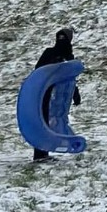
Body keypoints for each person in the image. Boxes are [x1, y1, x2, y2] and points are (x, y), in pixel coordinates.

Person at [31, 27, 80, 162]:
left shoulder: (64, 56)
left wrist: (74, 93)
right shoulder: (59, 55)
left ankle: (43, 152)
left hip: (52, 96)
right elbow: (39, 72)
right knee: (43, 122)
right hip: (44, 94)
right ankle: (40, 154)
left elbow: (69, 78)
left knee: (47, 122)